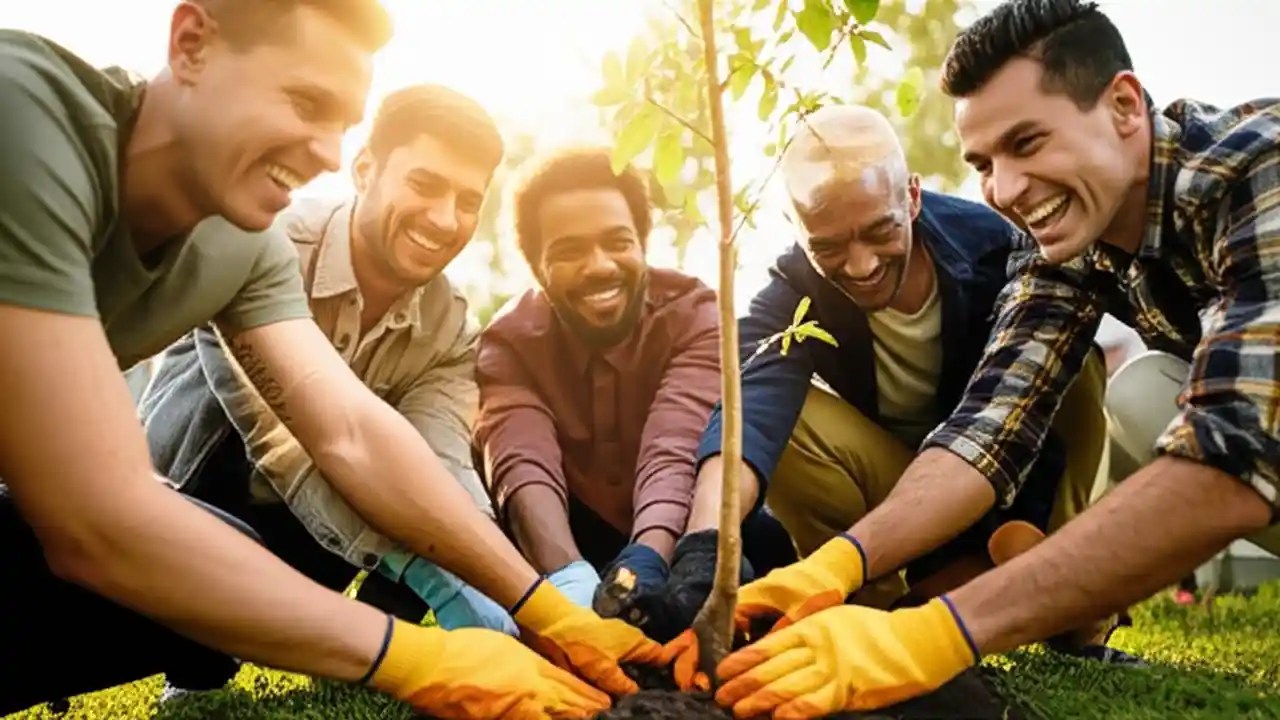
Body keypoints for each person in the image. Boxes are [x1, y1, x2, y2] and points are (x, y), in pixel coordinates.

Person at [0, 2, 654, 717]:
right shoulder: (26, 111)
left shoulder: (245, 246)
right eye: (305, 102)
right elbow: (98, 512)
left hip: (231, 527)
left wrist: (546, 609)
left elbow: (349, 430)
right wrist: (418, 657)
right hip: (171, 481)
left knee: (196, 583)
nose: (327, 154)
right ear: (190, 45)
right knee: (160, 569)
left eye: (341, 123)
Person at [703, 1, 1280, 716]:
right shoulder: (1066, 246)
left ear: (1125, 105)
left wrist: (939, 633)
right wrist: (836, 564)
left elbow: (1234, 448)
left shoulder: (1261, 164)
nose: (1004, 191)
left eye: (1028, 142)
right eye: (984, 164)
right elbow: (988, 431)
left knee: (1140, 392)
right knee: (1152, 393)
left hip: (1255, 451)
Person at [659, 102, 1124, 687]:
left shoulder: (996, 247)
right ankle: (875, 602)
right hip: (904, 499)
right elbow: (748, 408)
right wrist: (706, 543)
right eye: (828, 246)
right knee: (781, 412)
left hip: (1021, 477)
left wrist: (1022, 521)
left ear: (912, 196)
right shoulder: (792, 291)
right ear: (796, 227)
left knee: (1073, 358)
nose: (859, 265)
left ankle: (1052, 571)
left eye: (880, 231)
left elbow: (1027, 401)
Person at [140, 82, 522, 701]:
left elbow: (443, 463)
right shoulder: (261, 242)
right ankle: (193, 660)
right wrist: (432, 570)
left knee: (430, 480)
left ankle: (370, 640)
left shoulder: (451, 327)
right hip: (197, 487)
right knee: (344, 451)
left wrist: (506, 591)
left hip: (318, 526)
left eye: (467, 200)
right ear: (365, 168)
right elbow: (279, 441)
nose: (445, 218)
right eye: (424, 185)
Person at [473, 147, 796, 634]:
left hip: (681, 521)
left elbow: (675, 445)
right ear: (538, 268)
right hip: (570, 535)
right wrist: (569, 582)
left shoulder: (693, 314)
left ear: (643, 246)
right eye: (568, 251)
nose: (599, 266)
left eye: (617, 242)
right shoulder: (509, 342)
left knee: (762, 543)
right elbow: (522, 466)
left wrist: (644, 560)